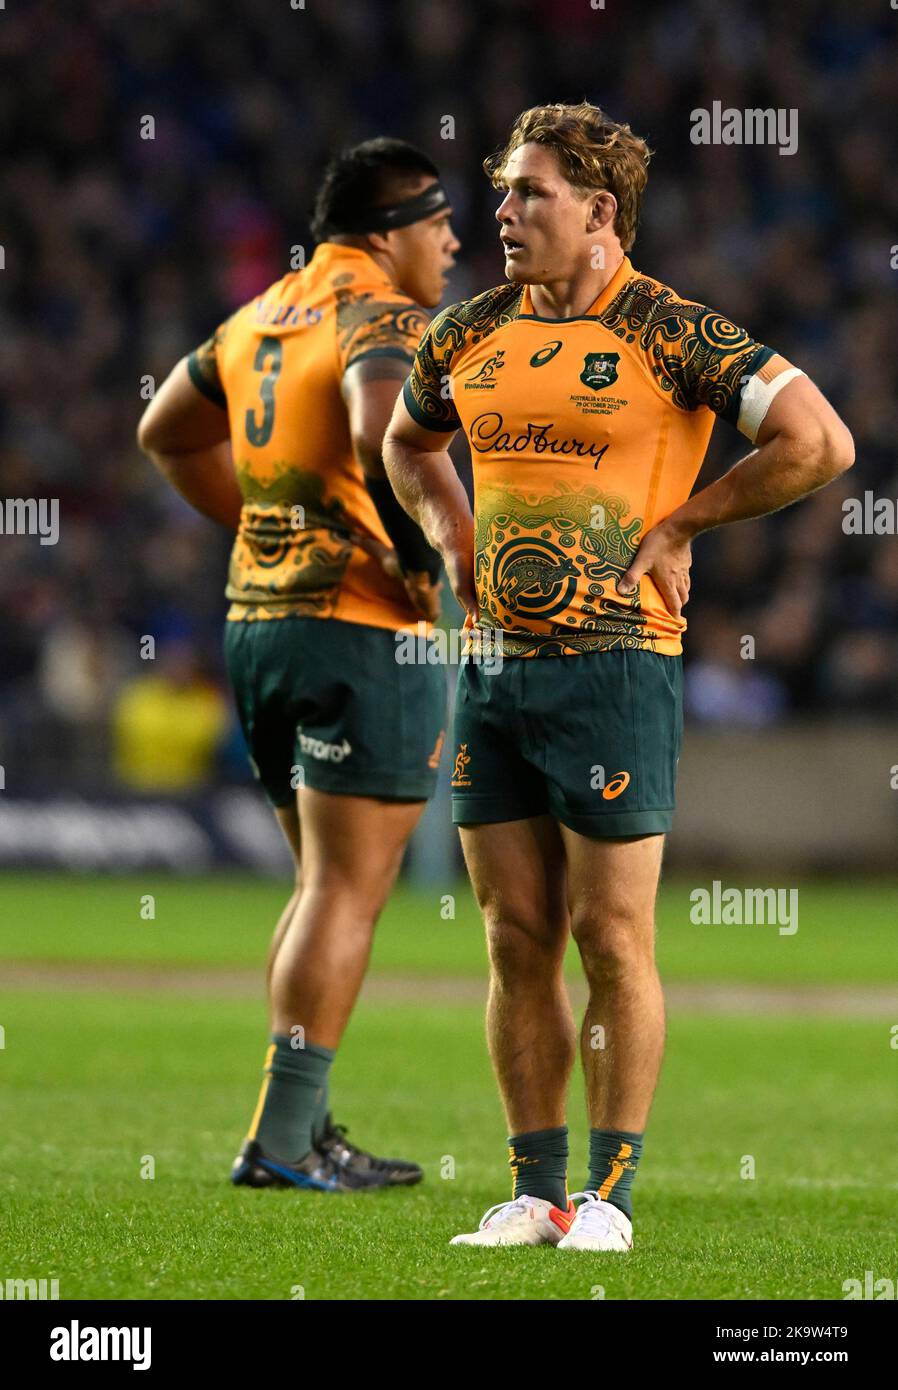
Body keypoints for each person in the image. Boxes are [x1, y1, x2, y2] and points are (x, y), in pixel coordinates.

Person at [383, 102, 853, 1247]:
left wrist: (686, 522)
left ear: (599, 211)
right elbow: (405, 442)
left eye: (528, 193)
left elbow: (817, 441)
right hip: (491, 670)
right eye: (500, 192)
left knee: (609, 935)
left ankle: (610, 1196)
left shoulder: (668, 328)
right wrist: (449, 539)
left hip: (615, 668)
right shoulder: (468, 330)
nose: (499, 213)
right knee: (511, 934)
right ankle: (534, 1191)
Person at [138, 138, 460, 1192]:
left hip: (258, 621)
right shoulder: (385, 312)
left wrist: (267, 521)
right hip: (361, 626)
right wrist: (418, 560)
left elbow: (166, 431)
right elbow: (381, 428)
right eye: (437, 222)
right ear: (386, 231)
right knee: (347, 891)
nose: (454, 242)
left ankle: (305, 1126)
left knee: (322, 882)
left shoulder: (260, 313)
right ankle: (279, 1145)